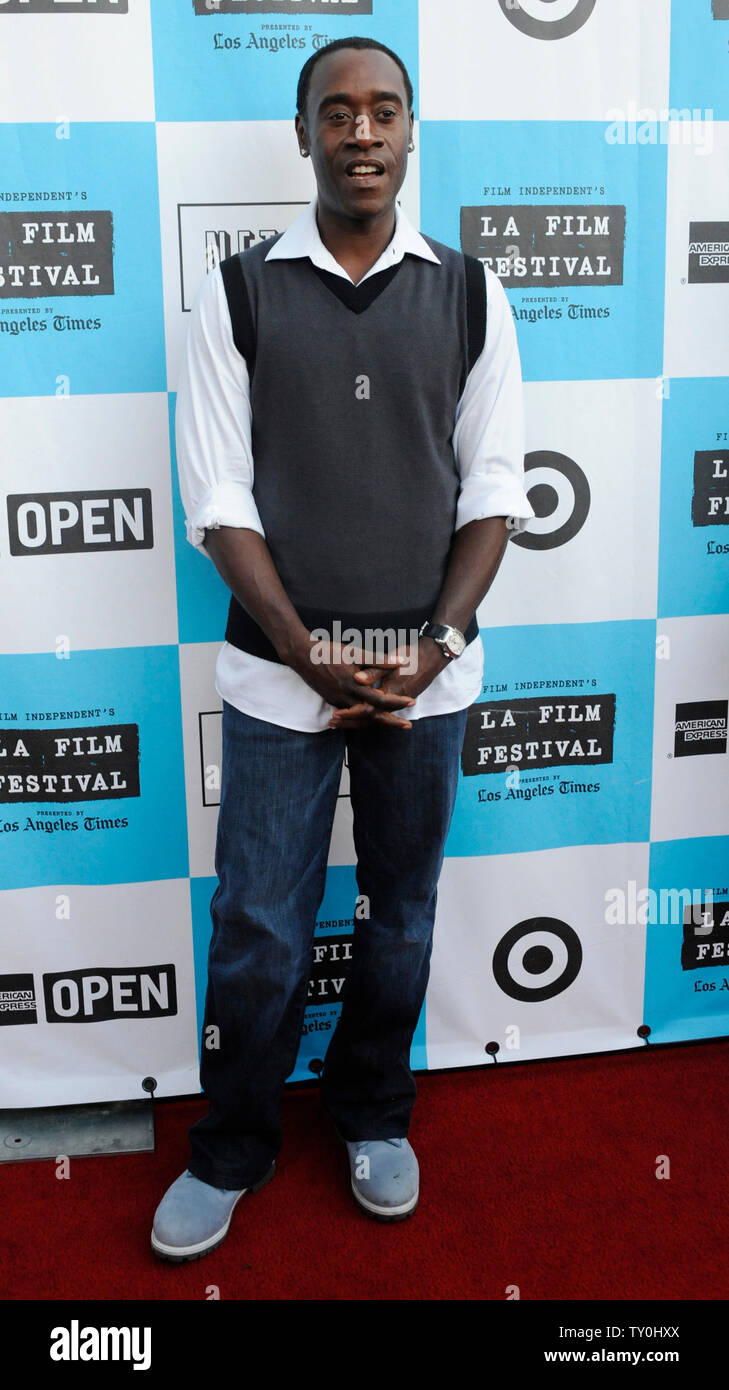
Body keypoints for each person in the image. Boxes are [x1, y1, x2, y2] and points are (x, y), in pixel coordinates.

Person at [151, 36, 535, 1262]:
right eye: (337, 112)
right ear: (304, 131)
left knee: (401, 914)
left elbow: (494, 494)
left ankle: (372, 1115)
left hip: (431, 672)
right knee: (261, 922)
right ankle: (233, 1146)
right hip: (277, 675)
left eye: (384, 111)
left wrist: (431, 644)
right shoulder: (240, 292)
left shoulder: (473, 292)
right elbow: (219, 501)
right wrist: (311, 654)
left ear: (412, 132)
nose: (361, 132)